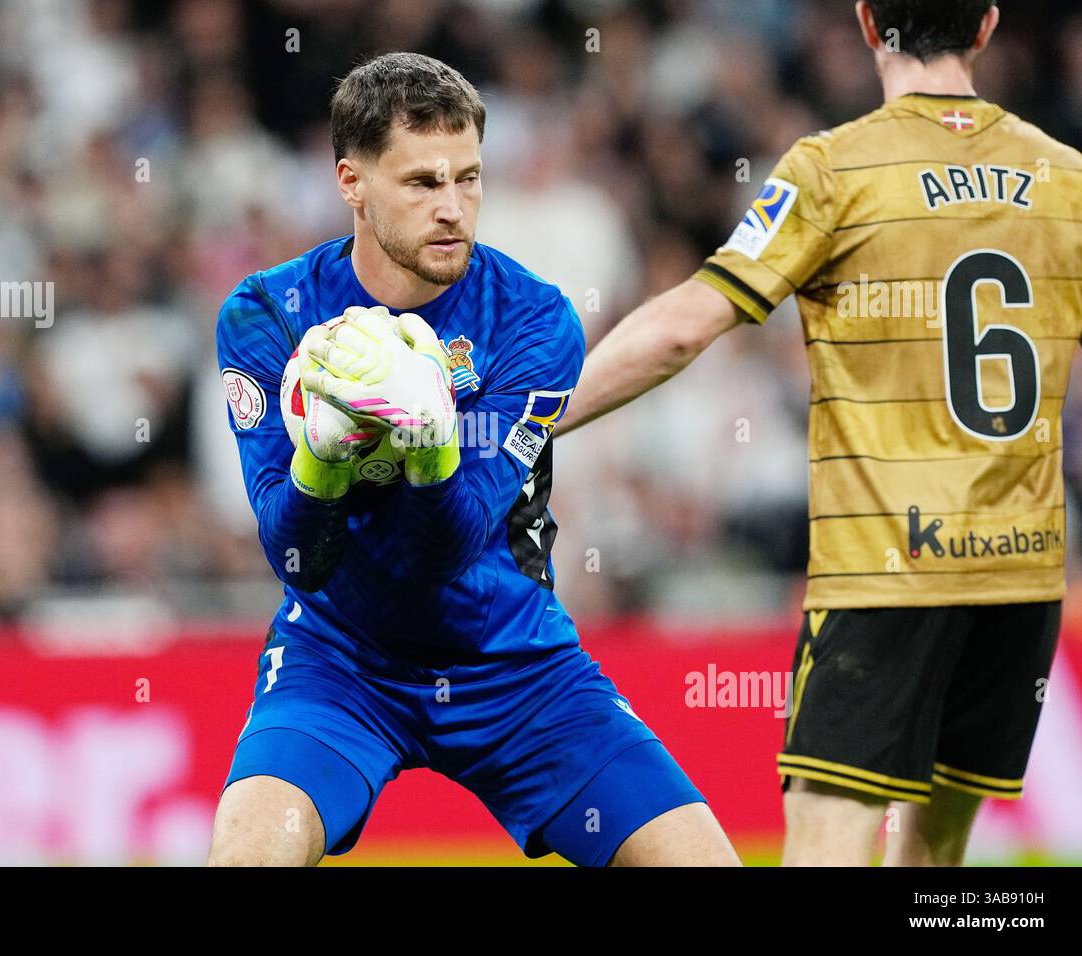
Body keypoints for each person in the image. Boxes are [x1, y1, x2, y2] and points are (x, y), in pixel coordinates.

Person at [557, 1, 1082, 866]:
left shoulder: (834, 168)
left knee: (827, 847)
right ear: (988, 26)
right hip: (1021, 576)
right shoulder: (1072, 180)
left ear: (867, 21)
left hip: (887, 569)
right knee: (938, 865)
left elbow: (686, 326)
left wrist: (535, 422)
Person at [207, 52, 739, 867]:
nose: (453, 208)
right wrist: (320, 462)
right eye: (422, 183)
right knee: (245, 857)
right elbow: (293, 557)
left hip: (514, 661)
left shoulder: (534, 323)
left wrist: (427, 442)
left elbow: (447, 551)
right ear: (352, 183)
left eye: (469, 178)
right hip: (340, 661)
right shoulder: (267, 316)